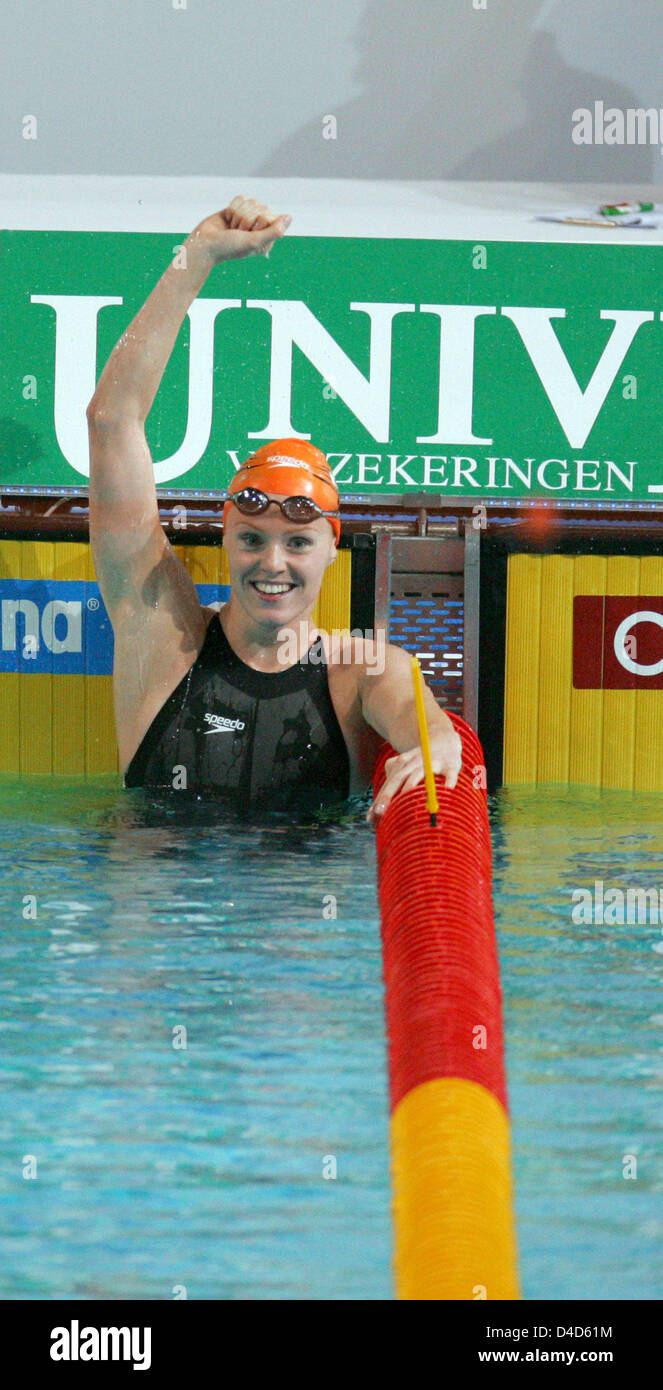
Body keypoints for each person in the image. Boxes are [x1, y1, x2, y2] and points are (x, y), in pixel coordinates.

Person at [86, 194, 462, 823]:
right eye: (252, 538)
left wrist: (440, 740)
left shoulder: (359, 666)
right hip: (160, 920)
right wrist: (196, 256)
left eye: (297, 542)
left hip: (298, 920)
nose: (272, 563)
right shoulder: (165, 638)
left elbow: (416, 711)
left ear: (331, 549)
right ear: (225, 539)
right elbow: (111, 420)